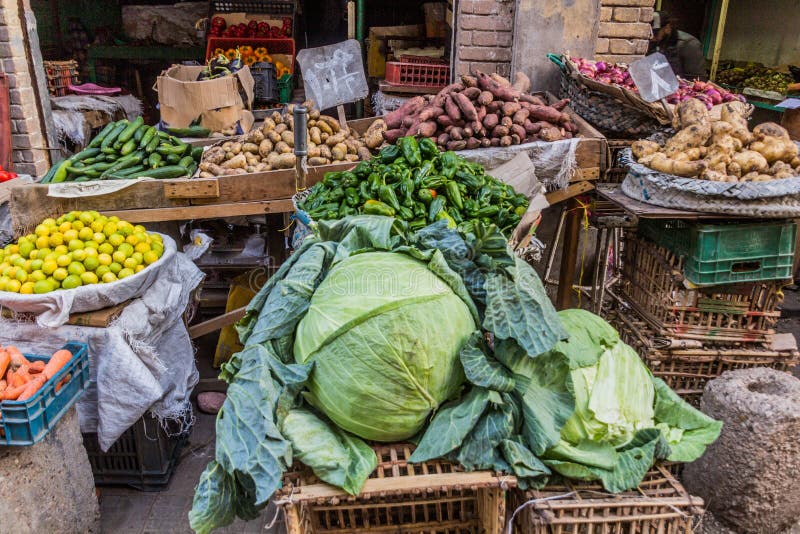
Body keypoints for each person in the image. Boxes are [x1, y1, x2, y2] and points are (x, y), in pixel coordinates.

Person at [649, 11, 707, 80]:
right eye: (649, 34)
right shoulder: (652, 42)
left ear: (667, 28)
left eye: (655, 34)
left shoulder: (688, 44)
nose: (651, 38)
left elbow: (698, 79)